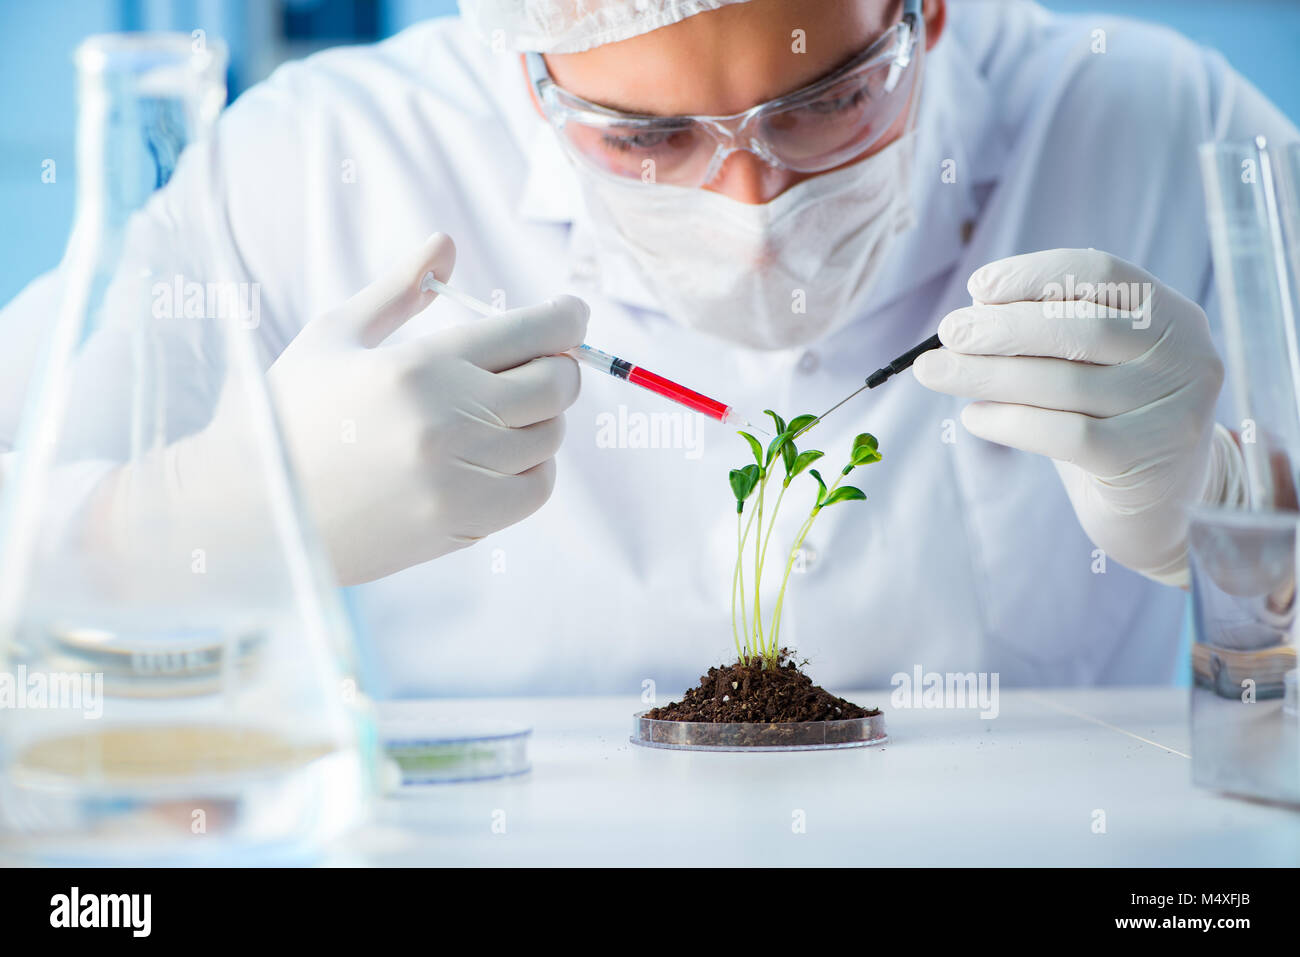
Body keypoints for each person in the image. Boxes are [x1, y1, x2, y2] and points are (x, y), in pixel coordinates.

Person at [0, 0, 1296, 696]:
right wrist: (218, 508)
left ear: (930, 13)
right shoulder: (306, 171)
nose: (753, 215)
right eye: (643, 141)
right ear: (526, 79)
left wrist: (1235, 525)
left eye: (832, 102)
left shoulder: (1155, 122)